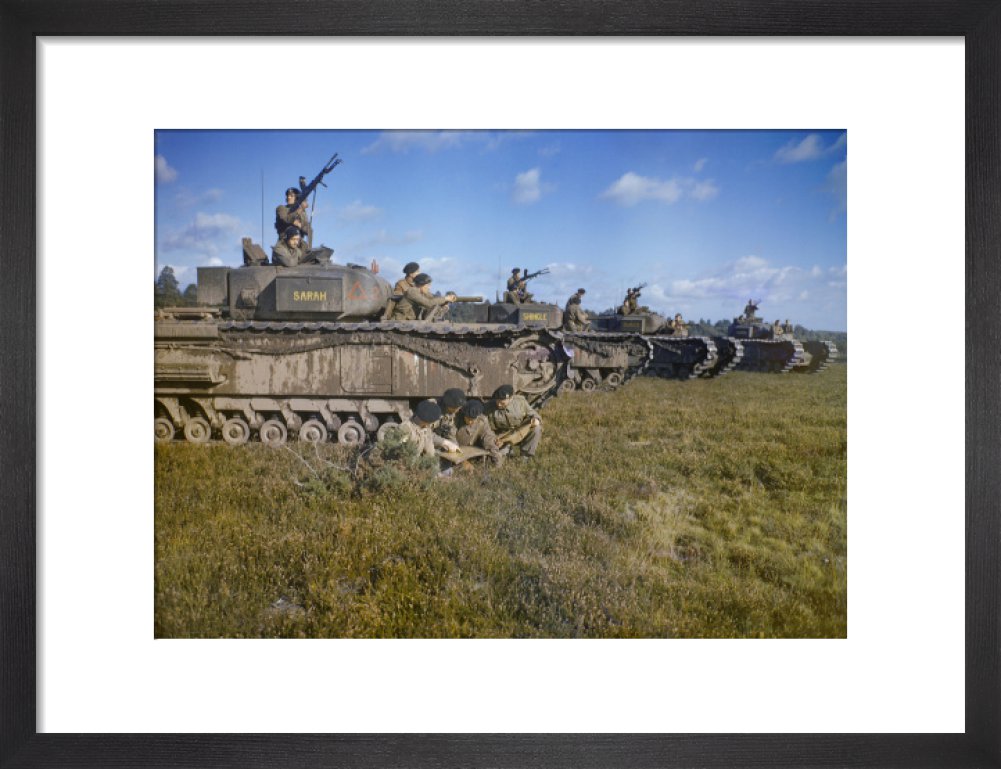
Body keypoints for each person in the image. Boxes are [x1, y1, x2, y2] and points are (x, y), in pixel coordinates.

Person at [487, 384, 542, 459]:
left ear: (510, 398)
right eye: (497, 401)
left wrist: (535, 419)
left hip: (519, 433)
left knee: (536, 428)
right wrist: (493, 439)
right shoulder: (489, 406)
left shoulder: (520, 402)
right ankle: (507, 450)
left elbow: (534, 414)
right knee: (498, 458)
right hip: (502, 438)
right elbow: (485, 427)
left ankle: (526, 456)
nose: (499, 405)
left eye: (502, 403)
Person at [456, 399, 504, 466]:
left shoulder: (482, 421)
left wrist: (496, 456)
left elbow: (488, 437)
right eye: (467, 418)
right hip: (457, 450)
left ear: (478, 416)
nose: (470, 422)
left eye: (472, 419)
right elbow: (451, 441)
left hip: (473, 451)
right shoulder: (456, 420)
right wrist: (462, 461)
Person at [390, 273, 457, 321]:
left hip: (408, 320)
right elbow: (429, 303)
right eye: (428, 285)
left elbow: (433, 298)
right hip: (400, 320)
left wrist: (445, 301)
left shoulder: (421, 291)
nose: (429, 288)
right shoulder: (412, 292)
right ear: (422, 284)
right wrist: (445, 298)